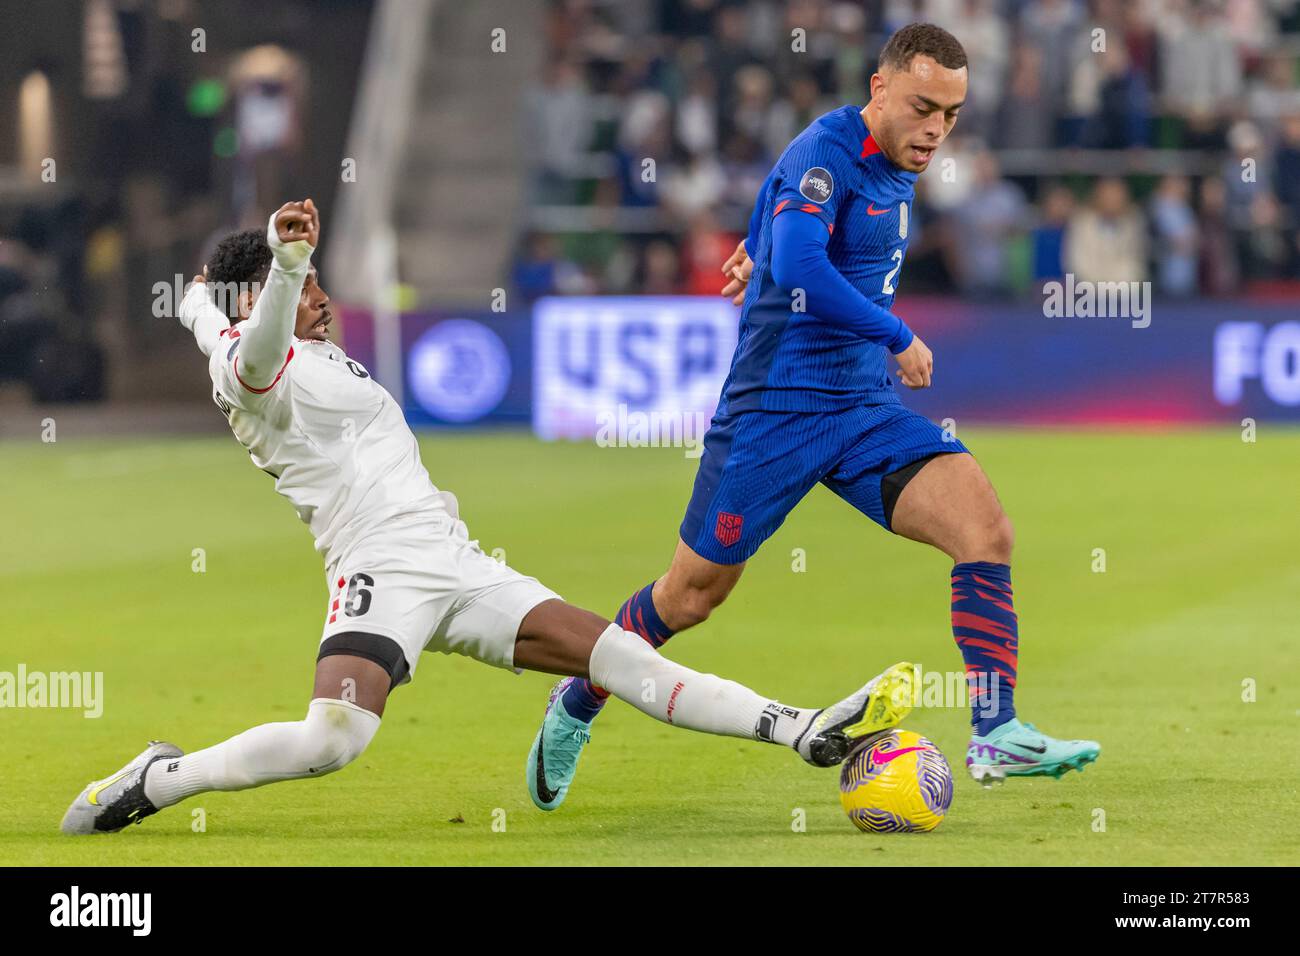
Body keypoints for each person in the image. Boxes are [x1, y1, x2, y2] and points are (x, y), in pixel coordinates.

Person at [61, 200, 918, 835]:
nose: (321, 295)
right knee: (333, 740)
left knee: (619, 656)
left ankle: (802, 730)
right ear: (265, 303)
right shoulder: (258, 379)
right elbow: (245, 355)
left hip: (458, 563)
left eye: (317, 281)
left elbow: (206, 313)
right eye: (305, 287)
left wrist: (209, 293)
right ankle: (162, 779)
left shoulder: (284, 344)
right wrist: (282, 269)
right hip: (378, 571)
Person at [528, 23, 1100, 810]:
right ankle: (580, 698)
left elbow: (783, 224)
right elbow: (801, 263)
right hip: (775, 410)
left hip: (863, 409)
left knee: (985, 529)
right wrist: (893, 331)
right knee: (690, 596)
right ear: (878, 88)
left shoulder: (894, 159)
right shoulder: (827, 154)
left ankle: (995, 734)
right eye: (924, 106)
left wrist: (756, 241)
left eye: (953, 114)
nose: (937, 128)